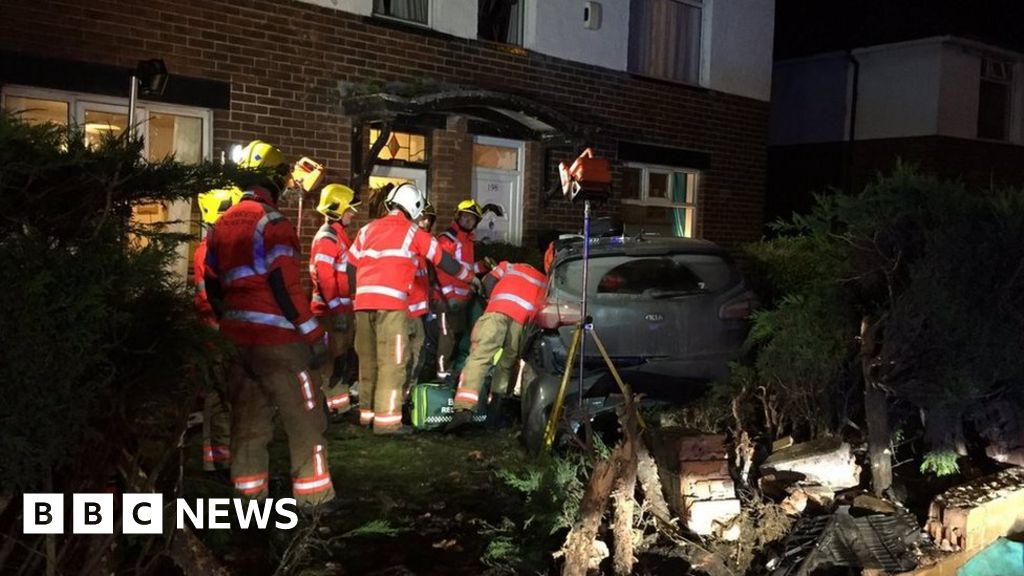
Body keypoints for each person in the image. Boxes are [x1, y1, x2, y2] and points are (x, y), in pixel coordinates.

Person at [203, 140, 335, 507]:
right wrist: (312, 333)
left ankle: (248, 500)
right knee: (306, 419)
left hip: (236, 341)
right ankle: (315, 498)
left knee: (247, 421)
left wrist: (227, 323)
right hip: (277, 341)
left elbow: (211, 283)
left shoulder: (221, 224)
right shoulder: (273, 223)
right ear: (276, 179)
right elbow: (285, 286)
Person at [347, 184, 475, 435]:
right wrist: (470, 277)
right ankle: (388, 423)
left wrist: (356, 296)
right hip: (392, 307)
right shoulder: (413, 233)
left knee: (368, 361)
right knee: (393, 363)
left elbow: (350, 266)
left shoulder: (366, 230)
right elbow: (443, 260)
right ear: (414, 207)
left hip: (362, 306)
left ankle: (367, 415)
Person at [446, 260, 548, 432]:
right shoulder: (545, 281)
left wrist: (490, 299)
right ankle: (496, 412)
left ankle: (463, 410)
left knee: (479, 357)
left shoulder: (508, 266)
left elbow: (488, 283)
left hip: (496, 312)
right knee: (508, 363)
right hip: (521, 320)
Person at [194, 187, 243, 474]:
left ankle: (215, 458)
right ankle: (223, 459)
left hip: (214, 331)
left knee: (217, 396)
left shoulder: (208, 248)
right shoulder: (211, 251)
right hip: (218, 333)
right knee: (222, 397)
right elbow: (213, 297)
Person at [309, 183, 360, 417]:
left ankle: (338, 406)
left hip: (340, 310)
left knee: (340, 360)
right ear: (337, 210)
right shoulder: (327, 239)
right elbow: (326, 278)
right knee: (330, 362)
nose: (352, 213)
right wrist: (338, 310)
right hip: (329, 313)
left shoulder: (338, 237)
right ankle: (321, 409)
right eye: (349, 209)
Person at [435, 199, 491, 380]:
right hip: (446, 299)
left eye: (472, 219)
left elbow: (464, 269)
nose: (468, 221)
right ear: (458, 216)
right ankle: (441, 376)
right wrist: (450, 296)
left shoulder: (467, 241)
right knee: (447, 337)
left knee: (460, 337)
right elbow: (442, 269)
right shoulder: (447, 239)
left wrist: (481, 267)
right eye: (465, 217)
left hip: (462, 299)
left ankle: (454, 371)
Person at [406, 202, 438, 397]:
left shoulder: (425, 248)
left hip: (420, 312)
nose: (425, 222)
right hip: (407, 312)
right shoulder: (409, 244)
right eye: (422, 217)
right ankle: (402, 398)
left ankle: (408, 395)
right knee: (409, 356)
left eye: (429, 219)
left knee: (417, 354)